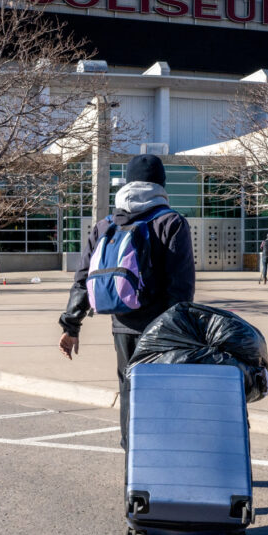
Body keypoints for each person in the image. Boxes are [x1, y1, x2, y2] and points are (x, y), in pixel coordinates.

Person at [57, 154, 195, 449]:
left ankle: (132, 459)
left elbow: (82, 280)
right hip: (162, 328)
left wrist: (71, 326)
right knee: (162, 392)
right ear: (161, 184)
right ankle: (160, 459)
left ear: (127, 183)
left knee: (128, 388)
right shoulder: (171, 222)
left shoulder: (104, 226)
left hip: (121, 324)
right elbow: (180, 288)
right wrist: (182, 333)